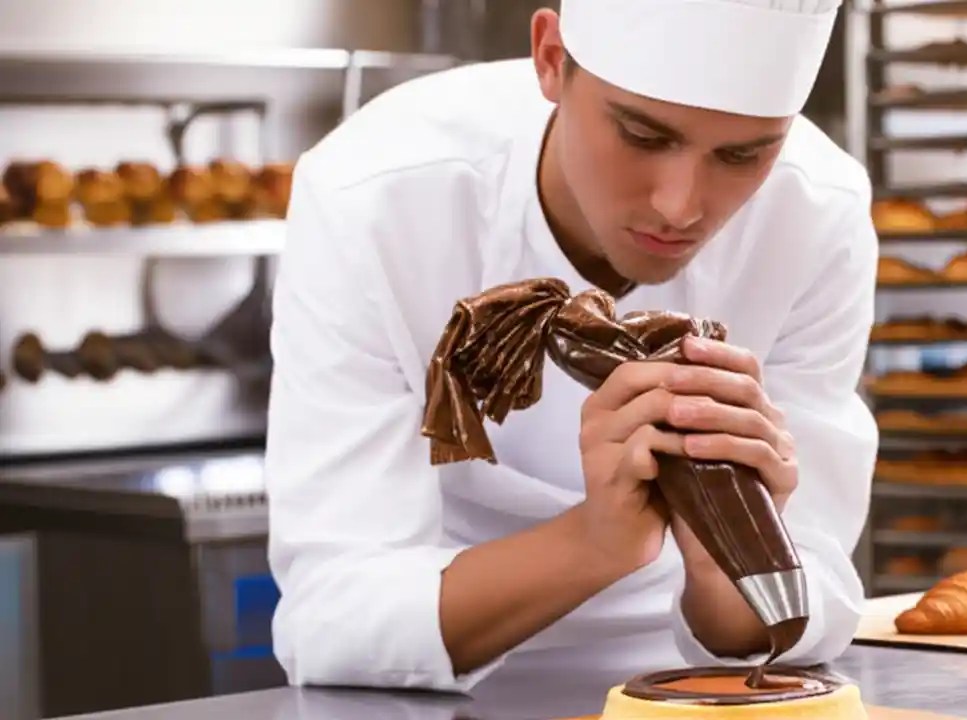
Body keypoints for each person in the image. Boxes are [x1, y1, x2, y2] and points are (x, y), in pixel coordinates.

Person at [265, 0, 879, 693]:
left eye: (744, 155)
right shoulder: (375, 197)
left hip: (709, 690)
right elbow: (332, 618)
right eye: (643, 136)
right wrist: (595, 543)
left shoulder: (816, 214)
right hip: (433, 691)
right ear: (551, 58)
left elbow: (814, 598)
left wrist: (726, 546)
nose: (680, 206)